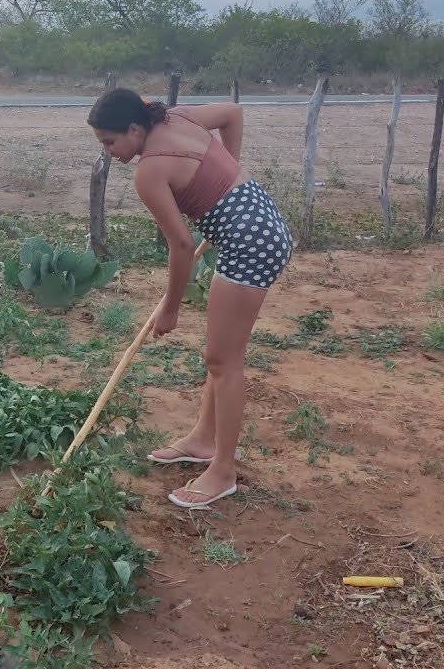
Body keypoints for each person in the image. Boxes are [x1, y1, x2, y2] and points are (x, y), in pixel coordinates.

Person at [87, 87, 293, 509]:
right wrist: (229, 175)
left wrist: (171, 308)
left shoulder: (150, 173)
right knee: (219, 356)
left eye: (111, 142)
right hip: (261, 220)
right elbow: (233, 113)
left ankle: (223, 471)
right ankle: (202, 438)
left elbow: (180, 246)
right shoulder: (177, 117)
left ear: (133, 129)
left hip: (250, 244)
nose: (109, 152)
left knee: (223, 360)